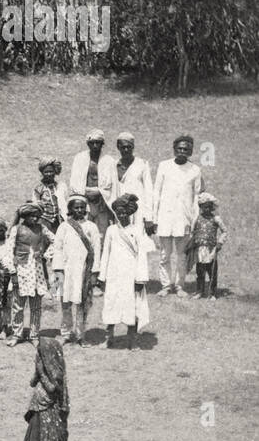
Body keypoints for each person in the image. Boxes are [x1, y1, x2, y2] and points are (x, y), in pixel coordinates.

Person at [152, 134, 203, 297]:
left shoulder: (195, 170)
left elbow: (196, 197)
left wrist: (194, 220)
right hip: (165, 217)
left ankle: (180, 286)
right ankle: (166, 285)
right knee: (165, 255)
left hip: (184, 218)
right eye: (179, 148)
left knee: (181, 255)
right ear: (174, 149)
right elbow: (157, 192)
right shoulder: (164, 166)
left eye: (186, 149)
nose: (182, 151)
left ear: (191, 151)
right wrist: (154, 218)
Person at [98, 194, 150, 350]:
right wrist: (102, 276)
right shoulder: (111, 230)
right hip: (114, 274)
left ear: (129, 213)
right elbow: (105, 253)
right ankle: (109, 337)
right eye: (118, 212)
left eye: (124, 212)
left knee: (132, 307)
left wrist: (140, 279)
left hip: (131, 275)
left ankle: (132, 340)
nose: (121, 215)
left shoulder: (137, 230)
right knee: (111, 304)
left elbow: (142, 256)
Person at [51, 195, 100, 345]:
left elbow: (97, 250)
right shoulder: (64, 227)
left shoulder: (92, 227)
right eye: (76, 207)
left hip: (84, 270)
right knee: (66, 303)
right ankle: (65, 333)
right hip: (67, 270)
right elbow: (57, 249)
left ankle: (80, 334)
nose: (79, 210)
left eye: (81, 207)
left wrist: (94, 272)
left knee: (82, 304)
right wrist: (58, 271)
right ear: (70, 209)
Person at [18, 338, 69, 441]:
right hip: (38, 405)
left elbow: (52, 388)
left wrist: (40, 372)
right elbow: (32, 382)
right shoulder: (43, 363)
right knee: (35, 438)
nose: (38, 356)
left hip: (48, 410)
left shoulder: (56, 371)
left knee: (47, 440)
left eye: (41, 354)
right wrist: (37, 371)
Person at [4, 202, 53, 347]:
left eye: (37, 216)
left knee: (36, 305)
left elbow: (56, 241)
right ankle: (17, 334)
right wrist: (13, 272)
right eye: (32, 216)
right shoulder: (16, 229)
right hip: (21, 269)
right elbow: (8, 251)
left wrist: (45, 254)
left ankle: (34, 334)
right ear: (25, 216)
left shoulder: (41, 228)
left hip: (36, 271)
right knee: (18, 305)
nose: (35, 219)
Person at [68, 130, 117, 239]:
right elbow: (74, 182)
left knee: (102, 236)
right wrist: (85, 192)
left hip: (102, 204)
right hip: (84, 203)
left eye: (98, 142)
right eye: (92, 142)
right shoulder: (79, 159)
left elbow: (114, 186)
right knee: (83, 234)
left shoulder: (109, 161)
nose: (95, 145)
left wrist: (99, 191)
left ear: (102, 143)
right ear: (88, 144)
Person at [113, 133, 155, 236]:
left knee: (138, 241)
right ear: (118, 147)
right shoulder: (113, 165)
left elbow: (149, 192)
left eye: (129, 147)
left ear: (133, 147)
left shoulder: (142, 164)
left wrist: (148, 217)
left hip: (138, 211)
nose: (126, 150)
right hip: (120, 211)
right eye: (123, 147)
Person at [189, 193, 226, 299]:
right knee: (200, 271)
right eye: (205, 207)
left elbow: (224, 231)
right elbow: (192, 231)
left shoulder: (216, 219)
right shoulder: (197, 218)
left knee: (212, 271)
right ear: (200, 207)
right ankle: (199, 291)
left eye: (209, 207)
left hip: (211, 249)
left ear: (212, 207)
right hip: (200, 249)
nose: (207, 209)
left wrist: (220, 243)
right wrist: (193, 242)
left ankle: (212, 293)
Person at [32, 161, 63, 233]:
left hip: (58, 221)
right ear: (42, 173)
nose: (49, 174)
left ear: (55, 172)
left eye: (51, 171)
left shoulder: (60, 186)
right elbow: (35, 205)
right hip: (44, 220)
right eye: (46, 172)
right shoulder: (39, 188)